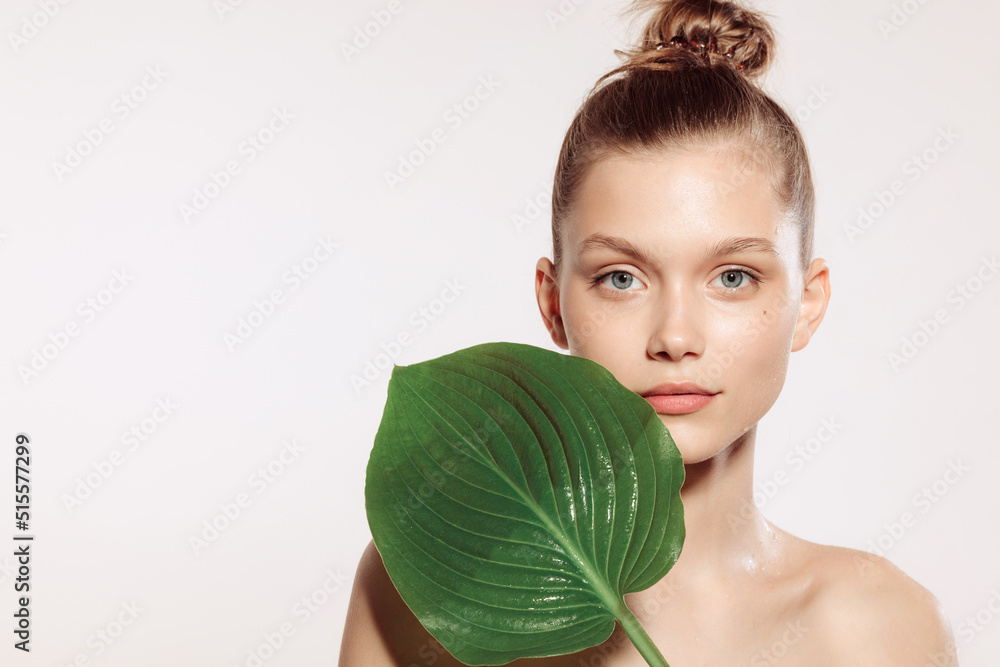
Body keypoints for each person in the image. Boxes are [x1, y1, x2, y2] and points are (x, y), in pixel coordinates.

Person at [339, 1, 958, 664]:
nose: (675, 336)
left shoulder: (882, 628)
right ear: (552, 303)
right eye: (622, 278)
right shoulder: (437, 585)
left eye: (733, 277)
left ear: (807, 302)